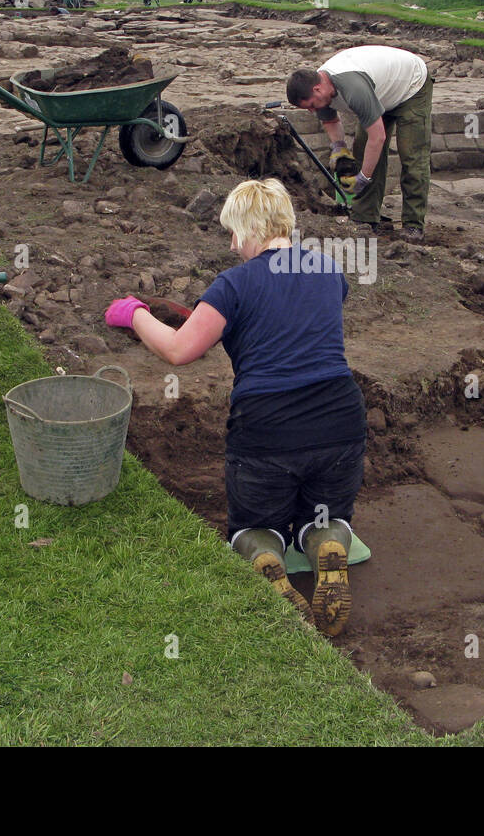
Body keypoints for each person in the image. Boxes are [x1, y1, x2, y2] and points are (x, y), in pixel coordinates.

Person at [104, 179, 366, 636]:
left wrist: (134, 313)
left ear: (251, 229)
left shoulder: (234, 284)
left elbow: (180, 351)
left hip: (267, 430)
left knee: (253, 525)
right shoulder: (328, 270)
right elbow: (294, 314)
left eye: (233, 233)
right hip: (339, 420)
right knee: (325, 515)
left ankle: (266, 556)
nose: (231, 243)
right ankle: (328, 545)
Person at [286, 45, 433, 243]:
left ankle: (413, 224)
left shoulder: (353, 89)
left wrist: (362, 178)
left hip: (411, 86)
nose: (313, 111)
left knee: (412, 156)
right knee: (364, 152)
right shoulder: (320, 91)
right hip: (379, 92)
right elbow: (330, 122)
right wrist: (339, 148)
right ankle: (366, 218)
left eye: (312, 105)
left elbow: (378, 138)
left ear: (317, 89)